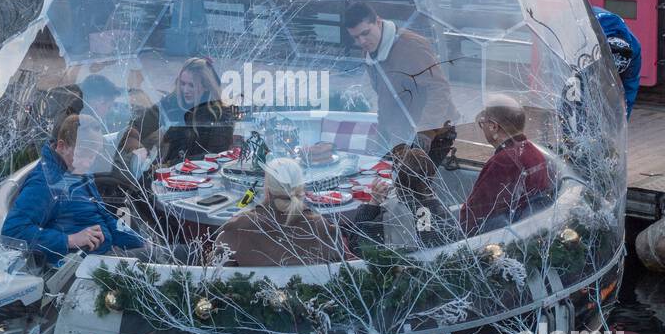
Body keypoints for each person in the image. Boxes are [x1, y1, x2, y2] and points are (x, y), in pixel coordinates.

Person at [1, 113, 145, 266]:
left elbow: (102, 215)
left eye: (93, 156)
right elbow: (12, 231)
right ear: (61, 146)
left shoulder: (74, 169)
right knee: (170, 258)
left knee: (164, 254)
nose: (88, 162)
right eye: (83, 154)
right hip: (82, 269)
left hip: (106, 254)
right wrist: (69, 240)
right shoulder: (44, 183)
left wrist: (137, 242)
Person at [344, 0, 456, 158]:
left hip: (435, 134)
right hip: (402, 135)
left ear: (378, 22)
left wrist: (426, 131)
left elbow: (440, 88)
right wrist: (381, 137)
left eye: (365, 33)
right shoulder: (369, 52)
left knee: (412, 182)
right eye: (355, 37)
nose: (362, 41)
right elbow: (385, 98)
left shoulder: (411, 46)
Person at [216, 157, 347, 267]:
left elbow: (216, 277)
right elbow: (341, 275)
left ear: (267, 189)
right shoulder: (323, 229)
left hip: (252, 296)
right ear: (301, 186)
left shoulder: (240, 227)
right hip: (310, 296)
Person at [459, 95, 554, 235]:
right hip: (527, 228)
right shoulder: (533, 152)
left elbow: (472, 215)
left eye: (482, 123)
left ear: (493, 126)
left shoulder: (503, 162)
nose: (483, 127)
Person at [345, 144, 458, 252]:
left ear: (396, 177)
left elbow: (357, 245)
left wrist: (373, 204)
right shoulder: (442, 213)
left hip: (397, 270)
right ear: (431, 177)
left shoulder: (392, 216)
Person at [124, 57, 234, 165]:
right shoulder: (172, 102)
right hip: (165, 171)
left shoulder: (221, 114)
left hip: (200, 176)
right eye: (182, 83)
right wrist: (137, 150)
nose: (185, 90)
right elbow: (136, 127)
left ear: (206, 86)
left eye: (191, 85)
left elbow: (214, 156)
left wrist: (172, 165)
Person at [592, 5, 641, 119]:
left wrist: (621, 124)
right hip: (569, 24)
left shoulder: (634, 49)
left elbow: (629, 88)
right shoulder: (587, 39)